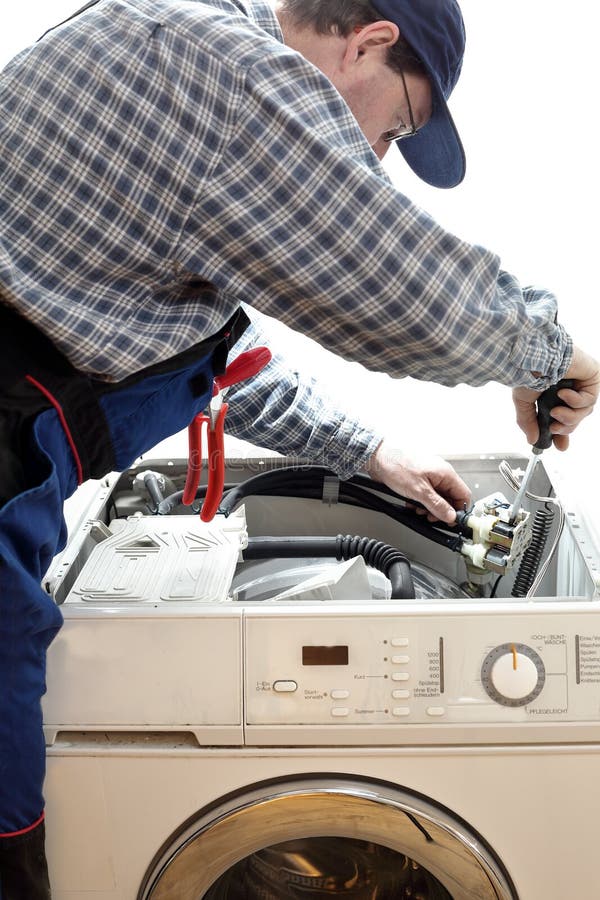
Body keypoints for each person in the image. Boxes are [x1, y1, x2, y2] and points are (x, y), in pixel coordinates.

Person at [0, 0, 597, 895]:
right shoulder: (232, 74)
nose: (377, 155)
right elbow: (397, 284)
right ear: (369, 42)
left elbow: (212, 357)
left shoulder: (178, 52)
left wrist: (365, 450)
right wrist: (550, 354)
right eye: (396, 124)